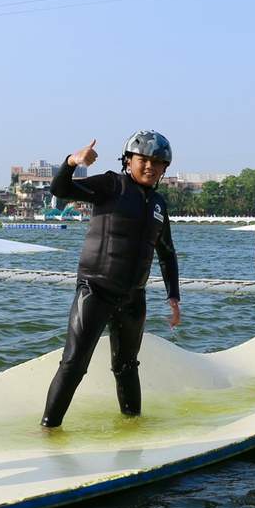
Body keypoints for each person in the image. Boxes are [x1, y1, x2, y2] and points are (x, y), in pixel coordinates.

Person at [40, 131, 181, 428]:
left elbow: (167, 252)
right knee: (74, 364)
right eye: (143, 160)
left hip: (134, 297)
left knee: (127, 366)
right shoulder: (110, 185)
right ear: (129, 160)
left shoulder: (158, 204)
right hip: (96, 289)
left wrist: (174, 297)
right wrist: (71, 162)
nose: (150, 167)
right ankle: (49, 428)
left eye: (158, 163)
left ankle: (132, 428)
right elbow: (61, 189)